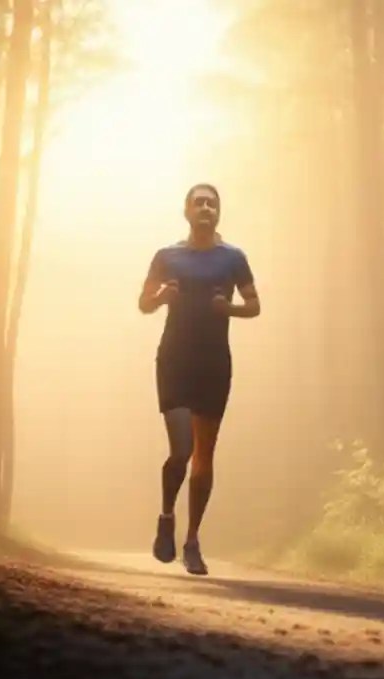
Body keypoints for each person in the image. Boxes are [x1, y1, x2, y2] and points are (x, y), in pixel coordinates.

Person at [137, 183, 260, 575]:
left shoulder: (234, 258)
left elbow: (255, 305)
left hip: (213, 362)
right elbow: (143, 303)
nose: (206, 208)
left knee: (204, 455)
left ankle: (192, 541)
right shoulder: (167, 256)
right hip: (174, 358)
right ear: (186, 211)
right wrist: (161, 299)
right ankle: (166, 517)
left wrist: (230, 310)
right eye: (199, 202)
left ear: (219, 213)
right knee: (182, 449)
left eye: (212, 203)